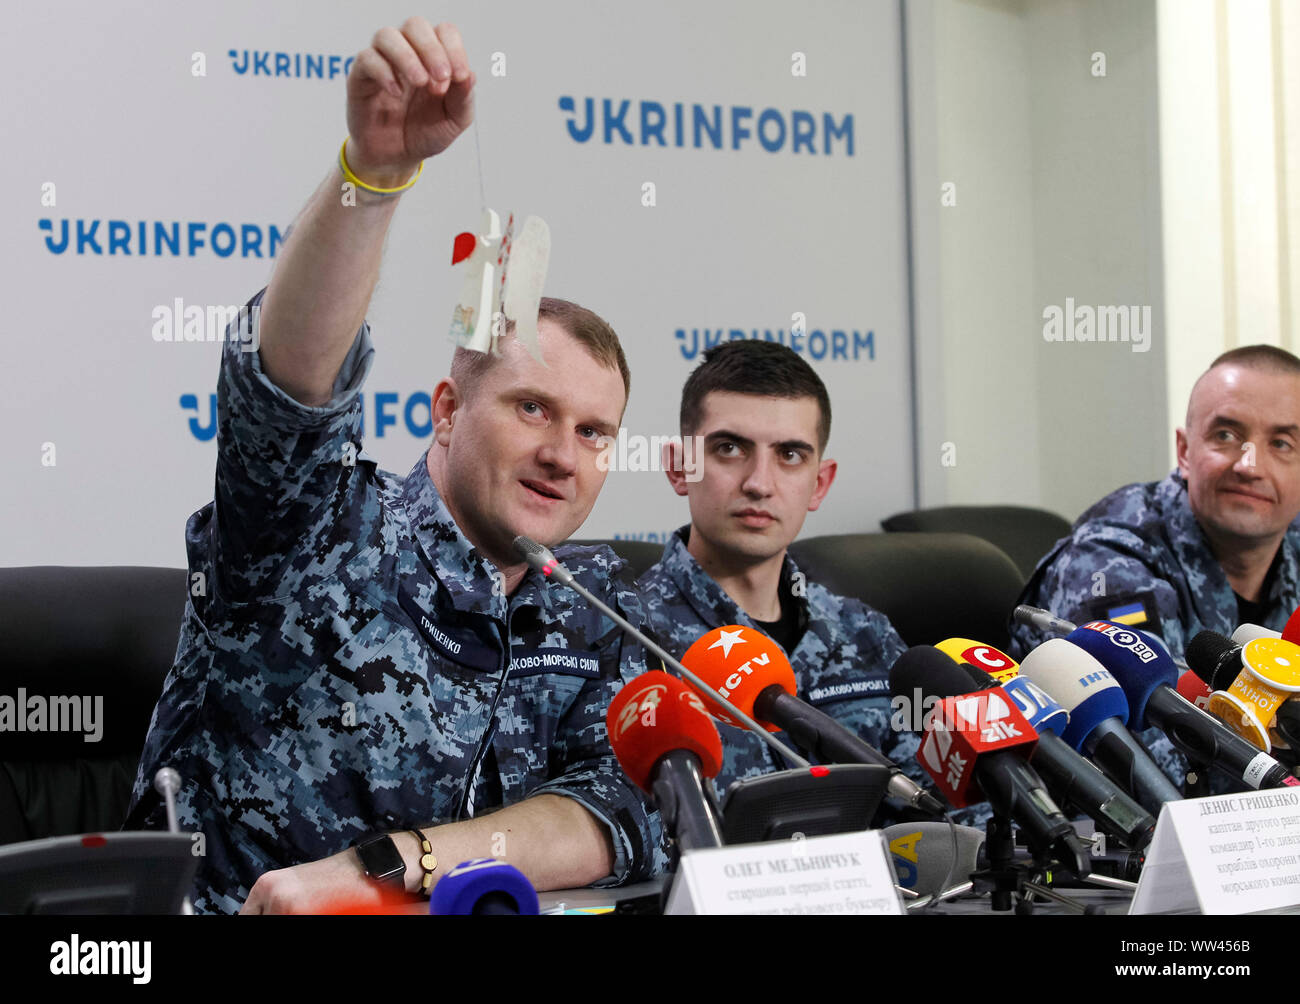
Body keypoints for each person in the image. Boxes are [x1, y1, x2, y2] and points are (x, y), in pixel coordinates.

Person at [125, 18, 658, 914]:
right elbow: (285, 390)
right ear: (447, 411)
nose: (563, 454)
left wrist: (388, 866)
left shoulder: (596, 604)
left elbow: (616, 811)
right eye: (532, 408)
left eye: (595, 432)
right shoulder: (316, 529)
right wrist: (371, 180)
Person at [634, 340, 928, 819]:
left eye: (790, 454)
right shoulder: (623, 634)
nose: (759, 483)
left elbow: (931, 815)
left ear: (820, 483)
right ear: (678, 466)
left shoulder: (865, 633)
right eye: (729, 449)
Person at [1009, 345, 1300, 779]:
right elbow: (1155, 757)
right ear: (1184, 451)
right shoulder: (1111, 558)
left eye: (1281, 443)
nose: (1249, 465)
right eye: (1225, 435)